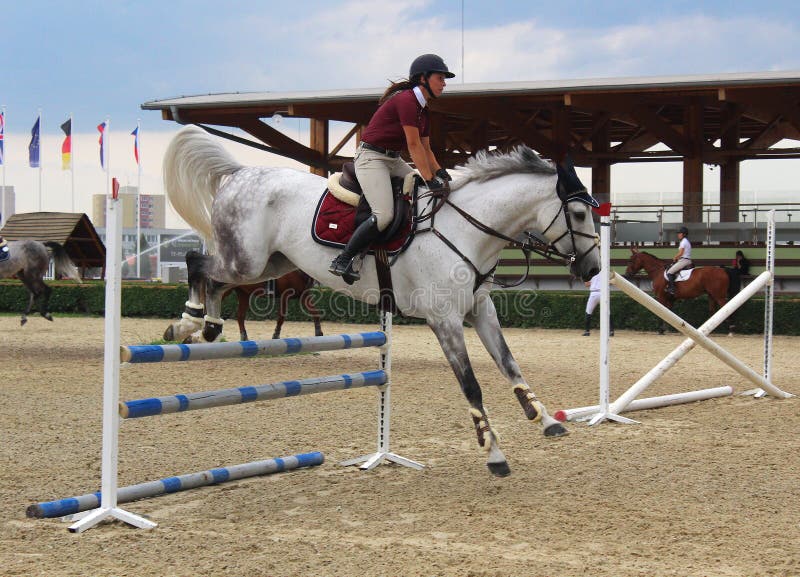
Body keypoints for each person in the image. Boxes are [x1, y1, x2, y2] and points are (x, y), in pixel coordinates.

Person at [329, 53, 455, 282]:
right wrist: (429, 178)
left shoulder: (423, 109)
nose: (444, 83)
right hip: (371, 158)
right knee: (384, 215)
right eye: (441, 77)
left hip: (392, 160)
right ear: (423, 78)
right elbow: (414, 145)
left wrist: (440, 173)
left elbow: (427, 149)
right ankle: (343, 258)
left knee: (420, 189)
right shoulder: (406, 101)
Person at [582, 272, 614, 336]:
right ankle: (611, 331)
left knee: (588, 312)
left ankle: (587, 331)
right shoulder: (606, 271)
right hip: (603, 293)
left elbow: (586, 284)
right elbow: (611, 282)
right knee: (608, 312)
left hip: (594, 294)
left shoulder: (590, 273)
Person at [666, 226, 692, 295]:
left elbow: (681, 253)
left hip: (684, 261)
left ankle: (672, 289)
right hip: (686, 260)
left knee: (669, 272)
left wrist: (675, 257)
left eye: (679, 233)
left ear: (683, 234)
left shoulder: (683, 242)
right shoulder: (686, 241)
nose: (678, 234)